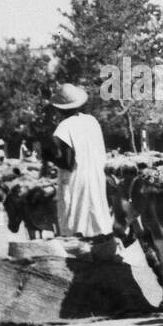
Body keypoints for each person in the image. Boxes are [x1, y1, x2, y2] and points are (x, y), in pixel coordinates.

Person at [47, 82, 113, 239]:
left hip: (77, 179)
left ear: (58, 108)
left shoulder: (63, 128)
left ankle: (79, 246)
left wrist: (50, 157)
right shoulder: (92, 121)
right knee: (97, 212)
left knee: (76, 216)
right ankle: (102, 242)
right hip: (96, 176)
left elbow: (68, 163)